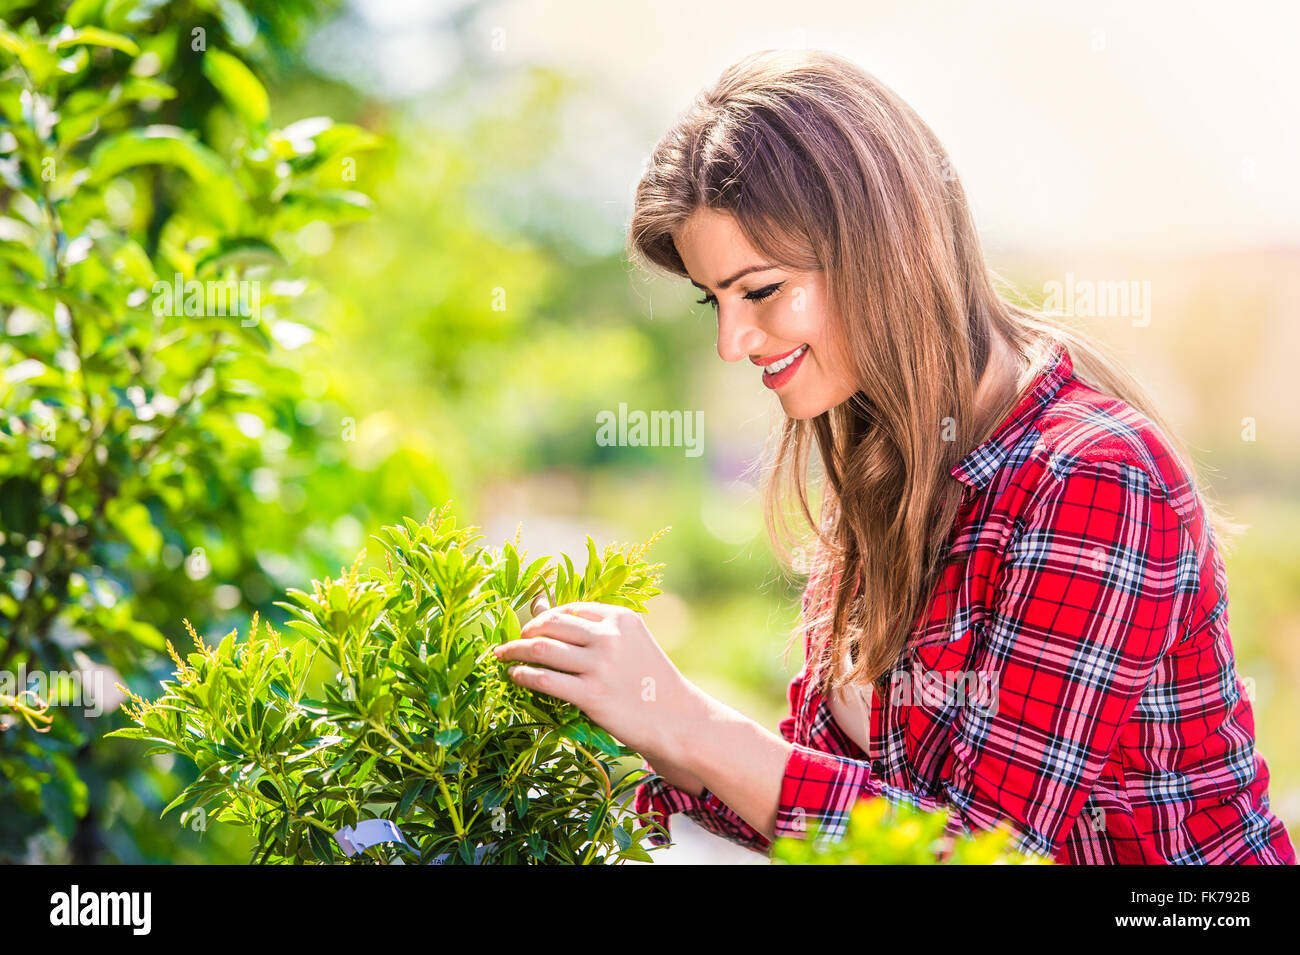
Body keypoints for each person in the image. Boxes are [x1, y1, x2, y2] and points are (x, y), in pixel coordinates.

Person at [494, 49, 1295, 864]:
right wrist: (641, 738)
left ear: (881, 250)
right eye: (715, 299)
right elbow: (836, 817)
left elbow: (985, 853)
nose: (732, 341)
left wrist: (694, 725)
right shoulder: (882, 478)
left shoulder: (1093, 475)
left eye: (761, 290)